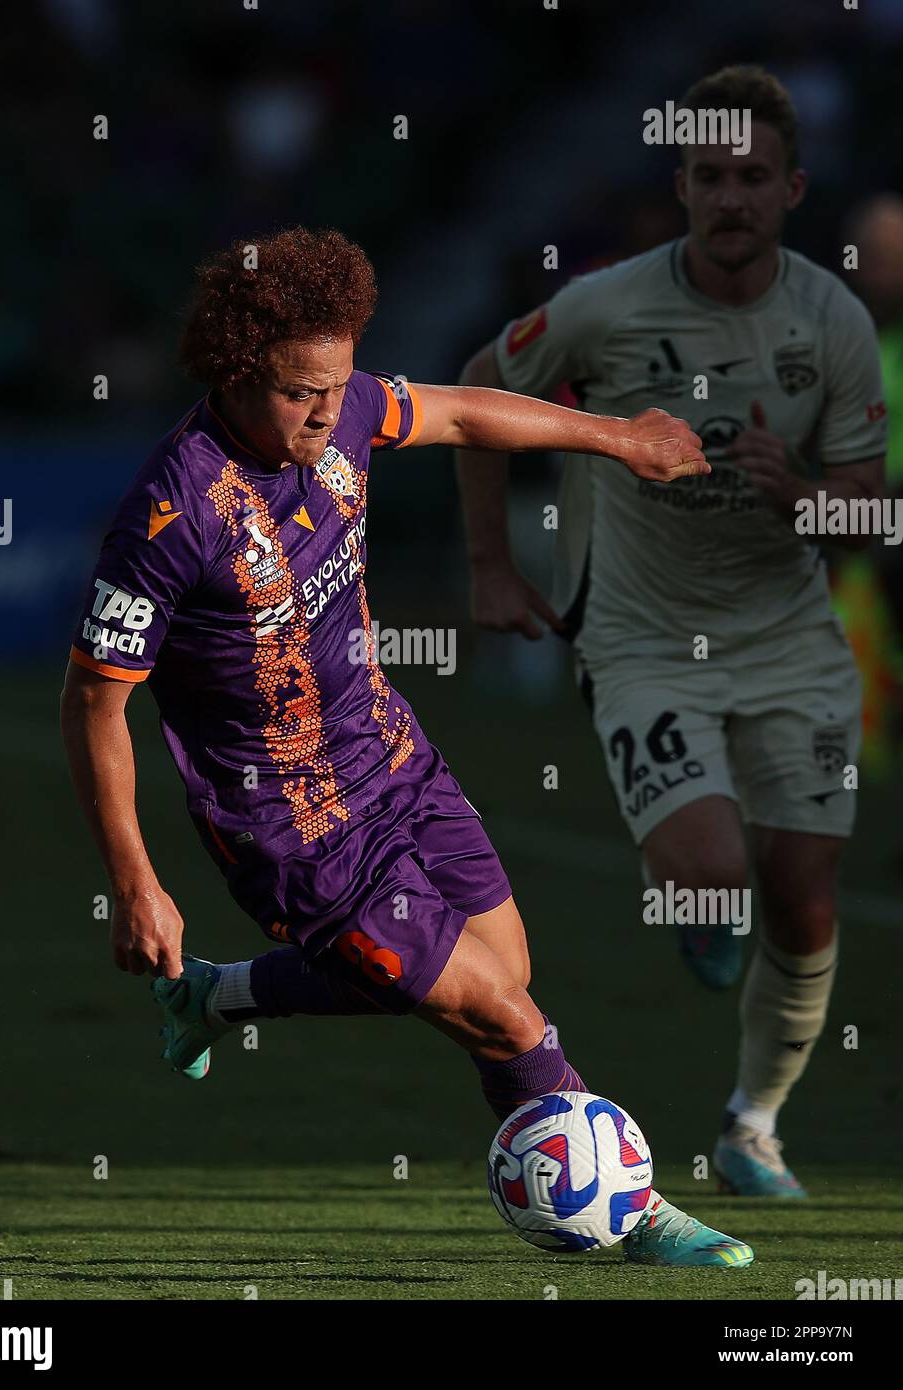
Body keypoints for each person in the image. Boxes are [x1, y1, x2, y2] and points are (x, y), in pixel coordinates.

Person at [60, 225, 750, 1265]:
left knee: (504, 966)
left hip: (395, 760)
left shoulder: (347, 413)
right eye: (301, 391)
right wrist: (135, 878)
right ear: (241, 372)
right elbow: (94, 700)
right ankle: (632, 1213)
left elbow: (465, 410)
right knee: (509, 1018)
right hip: (294, 829)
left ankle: (219, 994)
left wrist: (618, 438)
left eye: (338, 383)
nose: (330, 409)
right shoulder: (170, 515)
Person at [456, 67, 888, 1198]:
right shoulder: (605, 306)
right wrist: (493, 565)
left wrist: (795, 493)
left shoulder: (833, 321)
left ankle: (754, 1124)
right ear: (681, 185)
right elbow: (474, 389)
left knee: (804, 889)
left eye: (754, 178)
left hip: (788, 632)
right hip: (644, 637)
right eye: (710, 177)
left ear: (793, 189)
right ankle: (703, 916)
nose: (731, 197)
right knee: (705, 875)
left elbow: (870, 514)